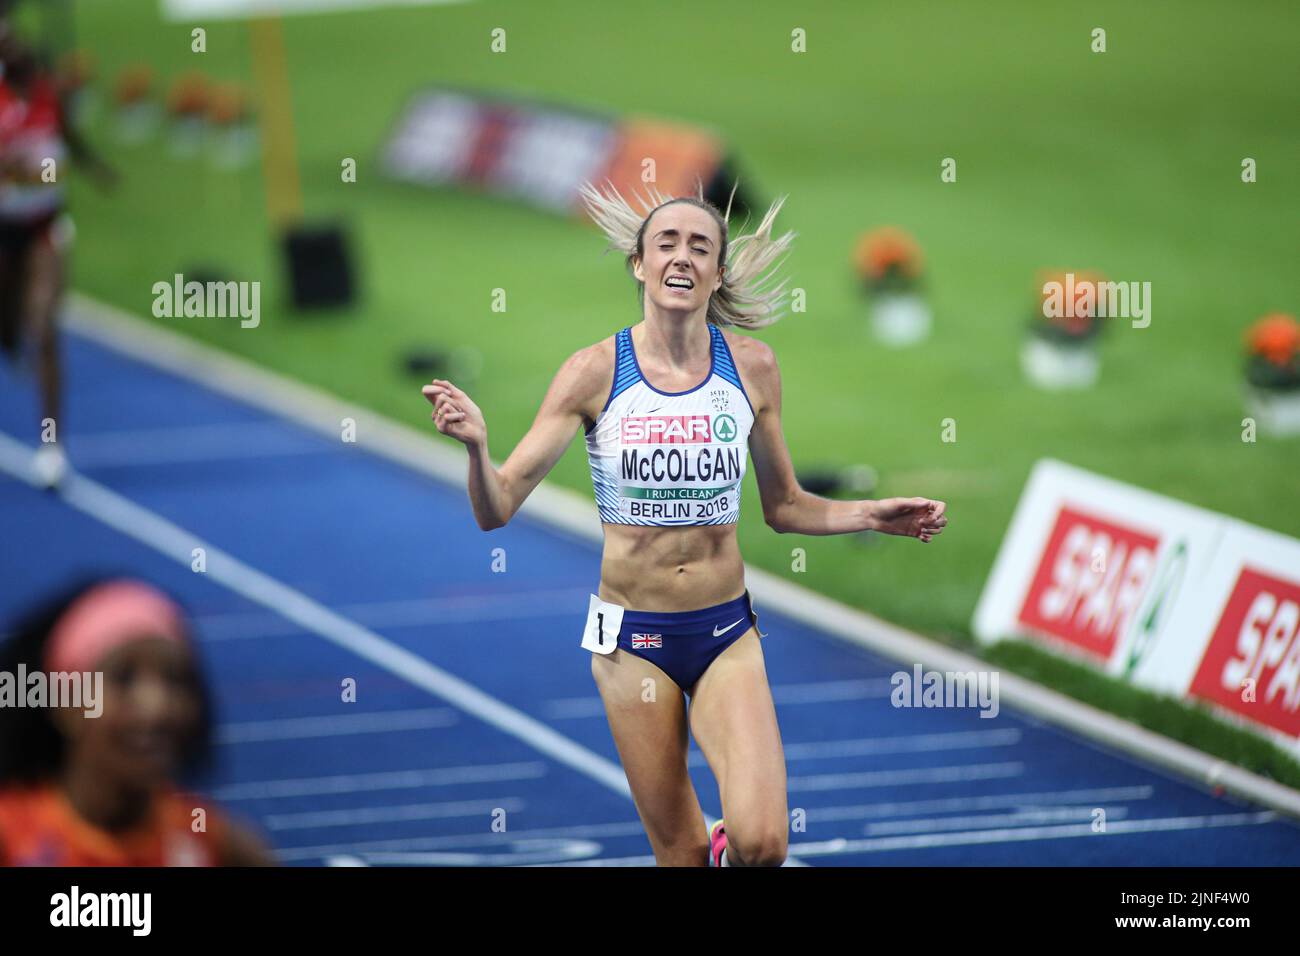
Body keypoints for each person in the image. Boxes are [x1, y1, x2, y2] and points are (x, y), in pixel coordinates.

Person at [421, 181, 948, 867]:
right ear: (639, 265)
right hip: (631, 642)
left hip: (724, 631)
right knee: (683, 853)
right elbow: (497, 509)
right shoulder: (593, 373)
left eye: (700, 246)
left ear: (718, 272)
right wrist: (477, 448)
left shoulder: (751, 367)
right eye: (666, 242)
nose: (682, 256)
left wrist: (871, 515)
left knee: (763, 844)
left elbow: (784, 505)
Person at [0, 578, 275, 866]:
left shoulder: (222, 849)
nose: (157, 707)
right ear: (66, 705)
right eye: (123, 679)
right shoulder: (10, 839)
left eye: (176, 679)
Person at [0, 18, 115, 487]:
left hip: (46, 226)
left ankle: (53, 446)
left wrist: (96, 169)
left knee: (45, 327)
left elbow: (68, 137)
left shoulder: (49, 96)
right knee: (10, 330)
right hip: (3, 231)